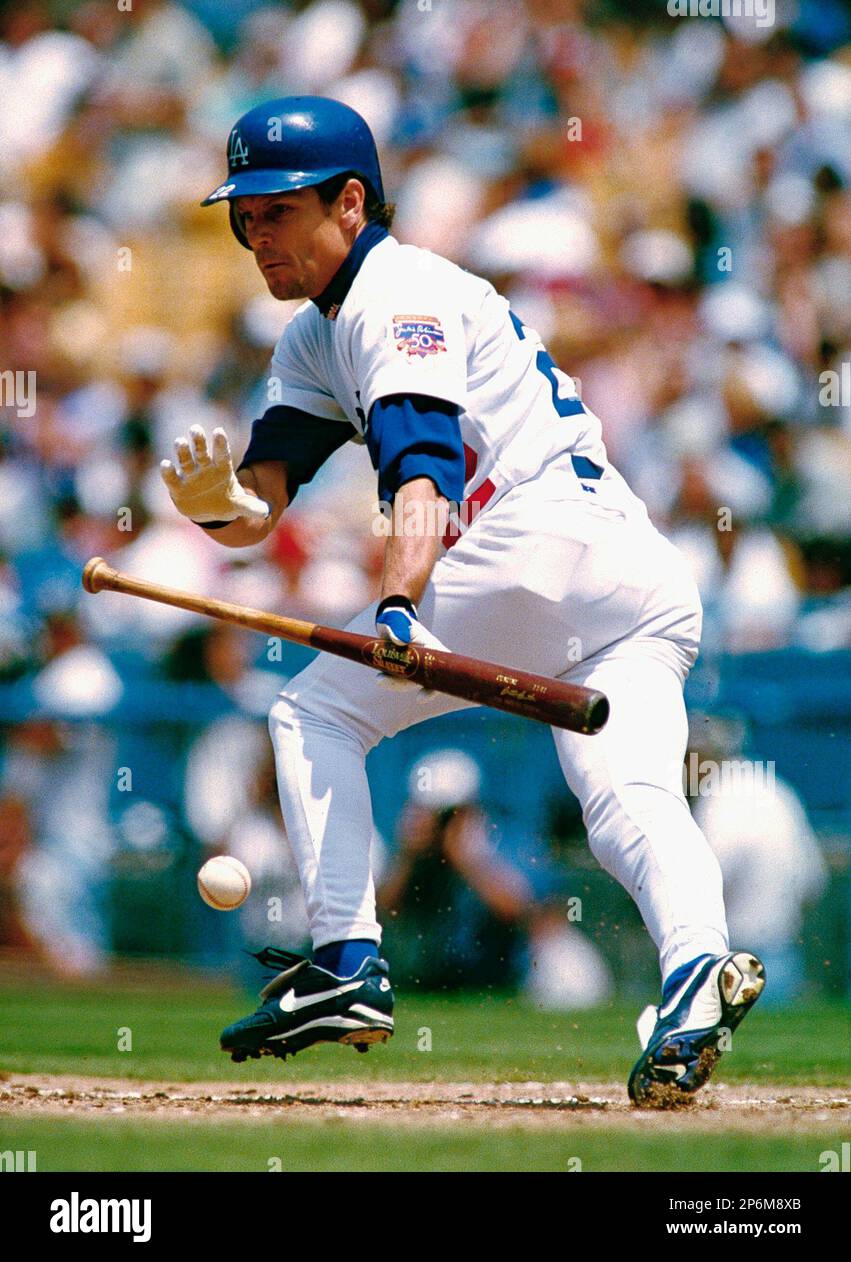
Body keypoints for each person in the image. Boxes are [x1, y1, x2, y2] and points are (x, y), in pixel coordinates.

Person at [160, 96, 765, 1104]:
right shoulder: (313, 340)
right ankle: (695, 972)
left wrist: (396, 606)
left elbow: (423, 469)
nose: (255, 233)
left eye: (276, 207)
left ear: (350, 201)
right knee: (626, 801)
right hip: (626, 572)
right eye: (244, 214)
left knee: (310, 708)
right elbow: (263, 496)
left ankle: (347, 963)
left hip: (536, 540)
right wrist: (215, 509)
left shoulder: (395, 292)